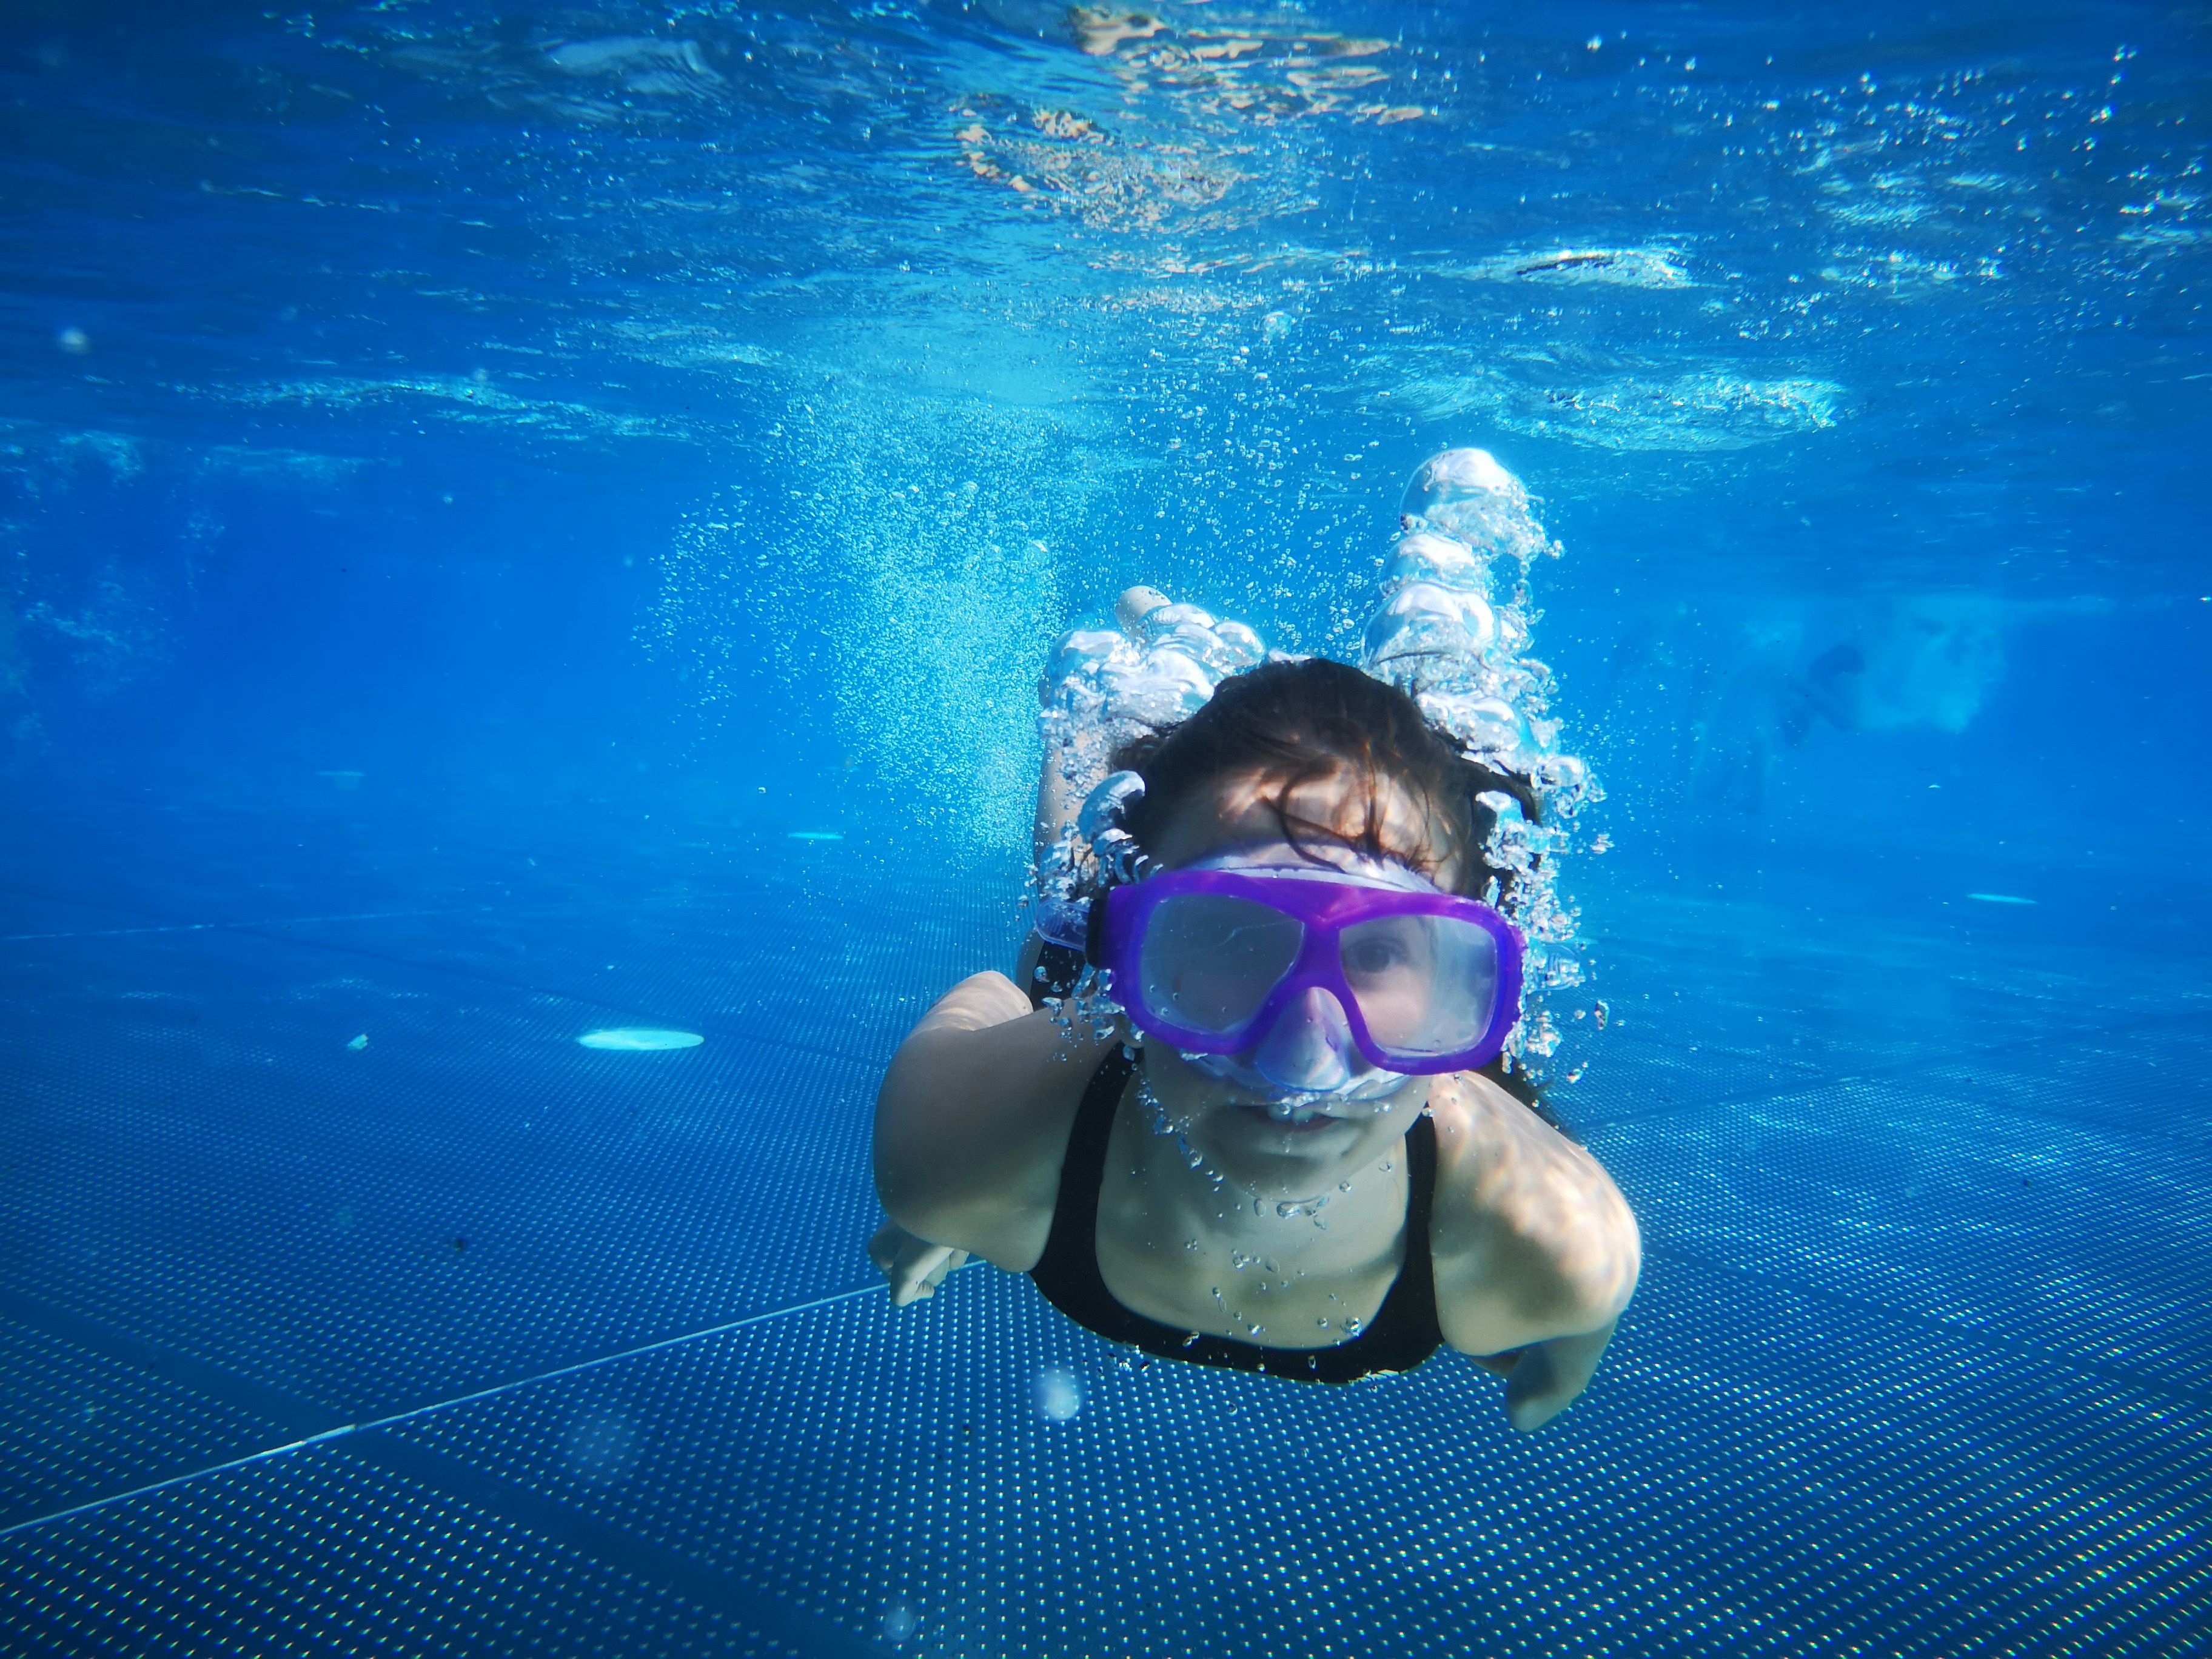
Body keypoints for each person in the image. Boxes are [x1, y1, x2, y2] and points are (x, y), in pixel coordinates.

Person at [870, 639, 1639, 1431]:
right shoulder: (949, 1156)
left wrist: (1562, 1365)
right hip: (1078, 1057)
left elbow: (1586, 1313)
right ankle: (1088, 725)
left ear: (1467, 990)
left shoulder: (1558, 1251)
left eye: (1378, 952)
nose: (1300, 1062)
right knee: (1067, 895)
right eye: (1229, 937)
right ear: (1138, 962)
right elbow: (995, 995)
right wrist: (949, 1175)